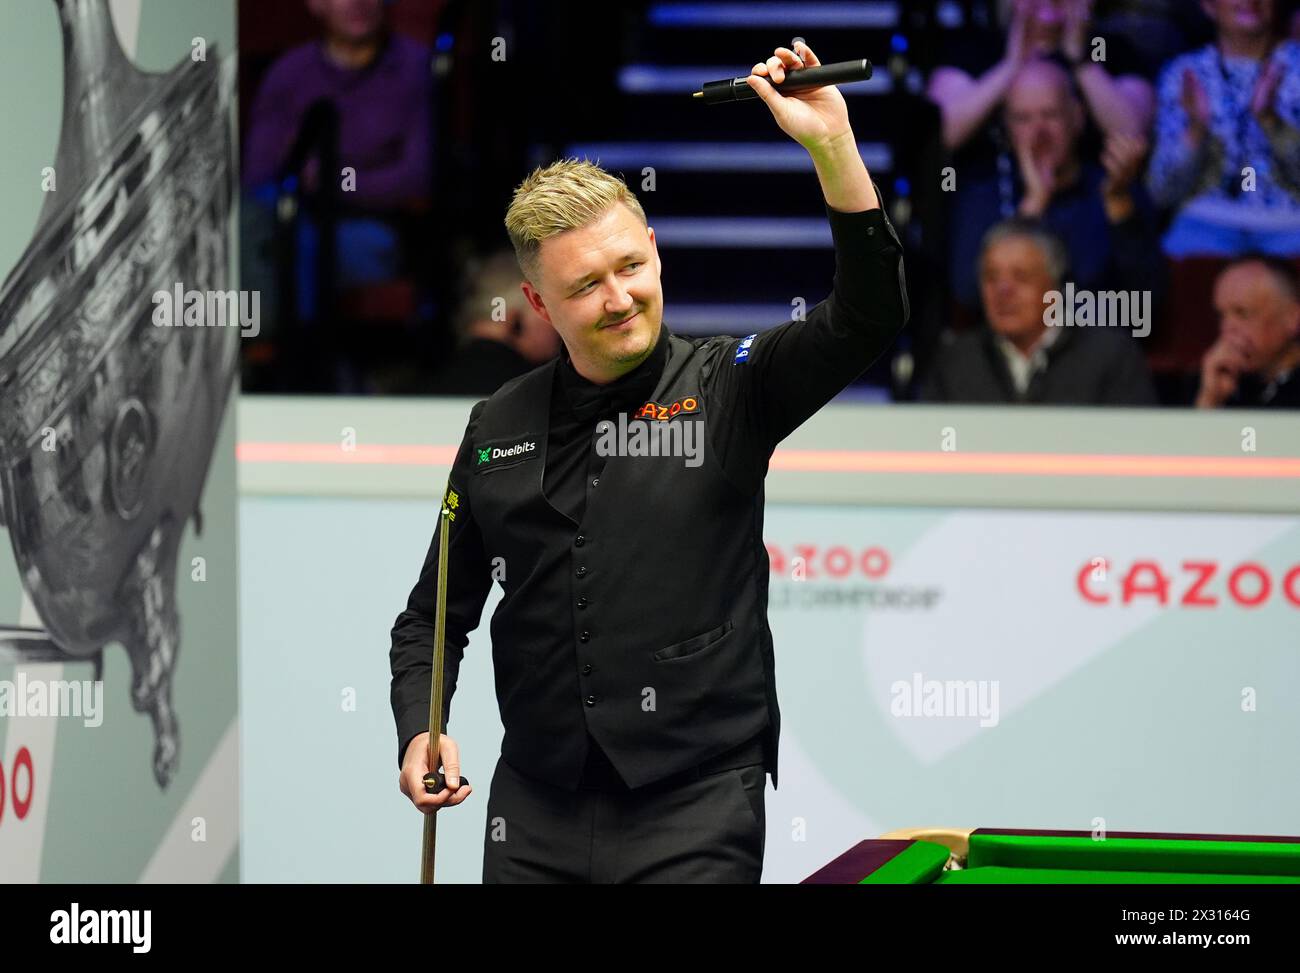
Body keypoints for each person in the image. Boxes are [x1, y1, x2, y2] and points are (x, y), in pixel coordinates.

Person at [388, 42, 908, 883]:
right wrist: (422, 725)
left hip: (696, 805)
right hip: (532, 813)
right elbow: (432, 616)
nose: (621, 296)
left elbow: (870, 313)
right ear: (536, 302)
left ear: (657, 248)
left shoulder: (733, 386)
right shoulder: (495, 426)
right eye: (588, 283)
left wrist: (832, 148)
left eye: (632, 265)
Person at [948, 59, 1162, 312]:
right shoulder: (982, 197)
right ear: (1007, 128)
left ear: (1077, 117)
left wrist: (1118, 203)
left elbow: (1147, 308)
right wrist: (1032, 208)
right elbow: (970, 295)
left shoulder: (1118, 189)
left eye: (1050, 115)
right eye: (1023, 119)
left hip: (1094, 347)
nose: (1039, 131)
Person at [921, 218, 1157, 404]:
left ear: (1054, 286)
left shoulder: (1109, 356)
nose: (1002, 291)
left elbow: (1139, 448)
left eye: (1021, 277)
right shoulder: (957, 361)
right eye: (991, 278)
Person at [927, 0, 1154, 176]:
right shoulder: (974, 48)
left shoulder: (1107, 49)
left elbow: (1132, 135)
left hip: (1091, 205)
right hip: (991, 206)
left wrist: (1080, 59)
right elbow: (939, 134)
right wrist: (1011, 65)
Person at [1148, 0, 1300, 257]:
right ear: (1208, 6)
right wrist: (1196, 131)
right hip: (1206, 222)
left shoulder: (1295, 68)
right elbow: (1161, 192)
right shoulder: (1183, 74)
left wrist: (1272, 123)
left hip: (1288, 224)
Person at [428, 251, 562, 396]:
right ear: (515, 320)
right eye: (545, 307)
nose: (557, 322)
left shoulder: (422, 388)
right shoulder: (541, 395)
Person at [1195, 255, 1300, 406]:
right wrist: (1211, 399)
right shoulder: (1225, 383)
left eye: (1242, 313)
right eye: (1221, 316)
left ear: (1292, 317)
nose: (1226, 329)